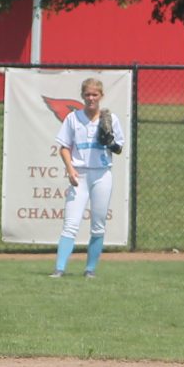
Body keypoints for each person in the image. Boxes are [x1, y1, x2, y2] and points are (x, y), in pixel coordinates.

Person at [49, 77, 122, 278]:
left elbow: (119, 149)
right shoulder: (73, 118)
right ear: (82, 95)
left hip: (101, 174)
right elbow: (64, 147)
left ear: (101, 96)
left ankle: (90, 270)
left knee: (98, 224)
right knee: (70, 224)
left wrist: (110, 143)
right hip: (79, 174)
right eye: (87, 94)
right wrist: (70, 169)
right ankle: (59, 268)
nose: (91, 98)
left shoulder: (110, 119)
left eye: (95, 94)